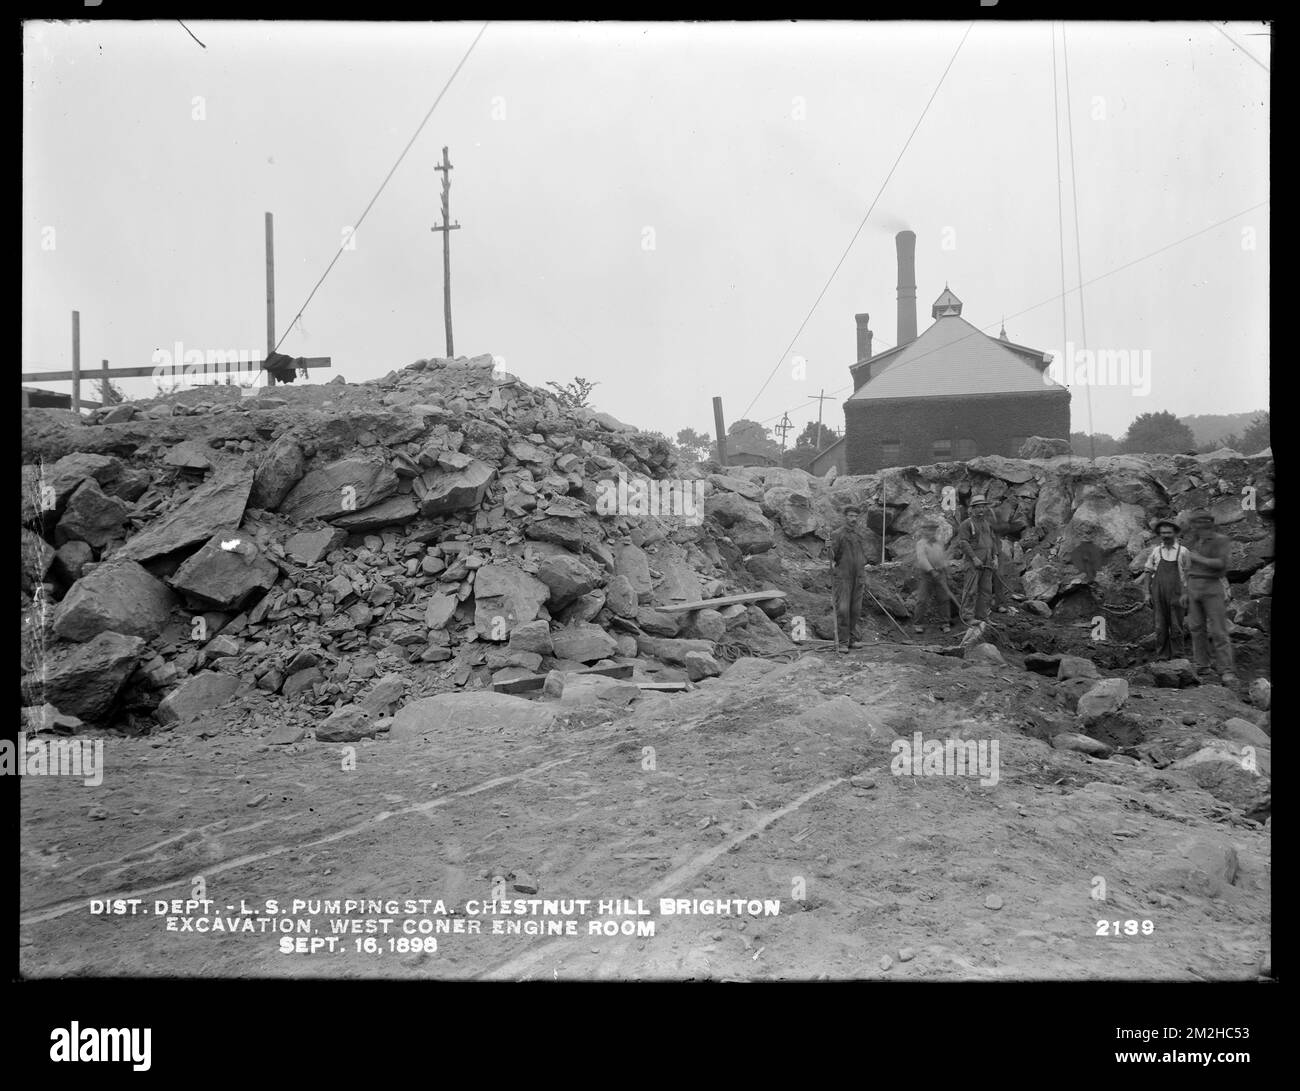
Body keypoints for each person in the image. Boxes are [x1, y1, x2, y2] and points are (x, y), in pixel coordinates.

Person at [1181, 509, 1238, 685]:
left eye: (1201, 523)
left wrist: (1198, 558)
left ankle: (1226, 670)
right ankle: (1202, 665)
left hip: (1212, 585)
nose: (1197, 527)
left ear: (1209, 523)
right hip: (1193, 585)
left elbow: (1221, 564)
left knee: (1218, 630)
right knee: (1196, 628)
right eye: (1195, 523)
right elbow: (1186, 568)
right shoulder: (1193, 541)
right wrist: (1184, 591)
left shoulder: (1220, 541)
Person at [1137, 518, 1190, 660]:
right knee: (1160, 625)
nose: (1165, 535)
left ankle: (1178, 655)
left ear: (1175, 533)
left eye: (1168, 532)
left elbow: (1188, 574)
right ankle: (1162, 655)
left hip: (1177, 593)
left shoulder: (1183, 552)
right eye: (1162, 533)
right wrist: (1147, 593)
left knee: (1176, 625)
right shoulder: (1156, 551)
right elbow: (1148, 571)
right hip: (1158, 592)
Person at [911, 518, 959, 633]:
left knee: (943, 599)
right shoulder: (921, 544)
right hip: (927, 575)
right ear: (923, 531)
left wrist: (945, 572)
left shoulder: (939, 543)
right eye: (928, 530)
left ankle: (945, 622)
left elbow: (942, 558)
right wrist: (932, 571)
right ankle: (918, 624)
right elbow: (922, 559)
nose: (930, 532)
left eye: (933, 530)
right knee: (922, 600)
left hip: (940, 573)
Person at [830, 506, 868, 648]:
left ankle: (851, 639)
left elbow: (864, 555)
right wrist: (828, 548)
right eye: (851, 516)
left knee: (855, 610)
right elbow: (831, 557)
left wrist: (863, 572)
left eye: (855, 516)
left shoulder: (859, 534)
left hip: (858, 576)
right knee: (843, 609)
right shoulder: (837, 534)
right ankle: (843, 642)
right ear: (845, 517)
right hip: (843, 577)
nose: (853, 519)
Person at [955, 495, 998, 621]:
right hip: (973, 561)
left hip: (987, 561)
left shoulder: (986, 524)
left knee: (986, 590)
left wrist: (995, 557)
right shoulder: (966, 524)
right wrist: (974, 558)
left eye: (983, 507)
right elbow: (963, 542)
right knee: (971, 590)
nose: (981, 510)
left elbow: (992, 541)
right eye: (978, 507)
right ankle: (968, 617)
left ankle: (982, 615)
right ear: (972, 509)